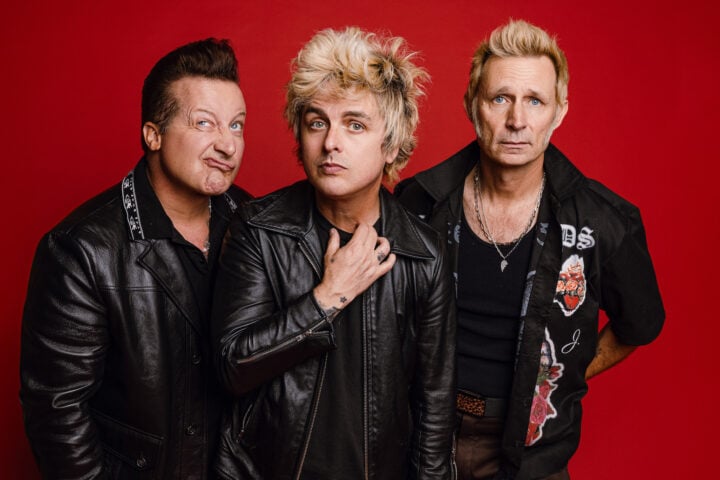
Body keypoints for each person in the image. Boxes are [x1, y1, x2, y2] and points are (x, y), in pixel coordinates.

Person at [396, 19, 665, 480]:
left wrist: (555, 375)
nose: (517, 120)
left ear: (559, 112)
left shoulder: (603, 220)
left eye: (535, 101)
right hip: (419, 436)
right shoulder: (418, 204)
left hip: (532, 453)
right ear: (472, 105)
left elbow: (639, 324)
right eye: (500, 98)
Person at [211, 27, 455, 480]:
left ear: (391, 145)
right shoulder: (259, 228)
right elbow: (232, 365)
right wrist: (327, 299)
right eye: (317, 122)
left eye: (355, 125)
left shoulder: (423, 255)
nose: (330, 143)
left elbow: (434, 408)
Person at [20, 38, 251, 479]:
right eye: (204, 123)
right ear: (153, 134)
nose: (228, 144)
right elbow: (57, 414)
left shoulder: (255, 224)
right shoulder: (81, 250)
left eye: (237, 125)